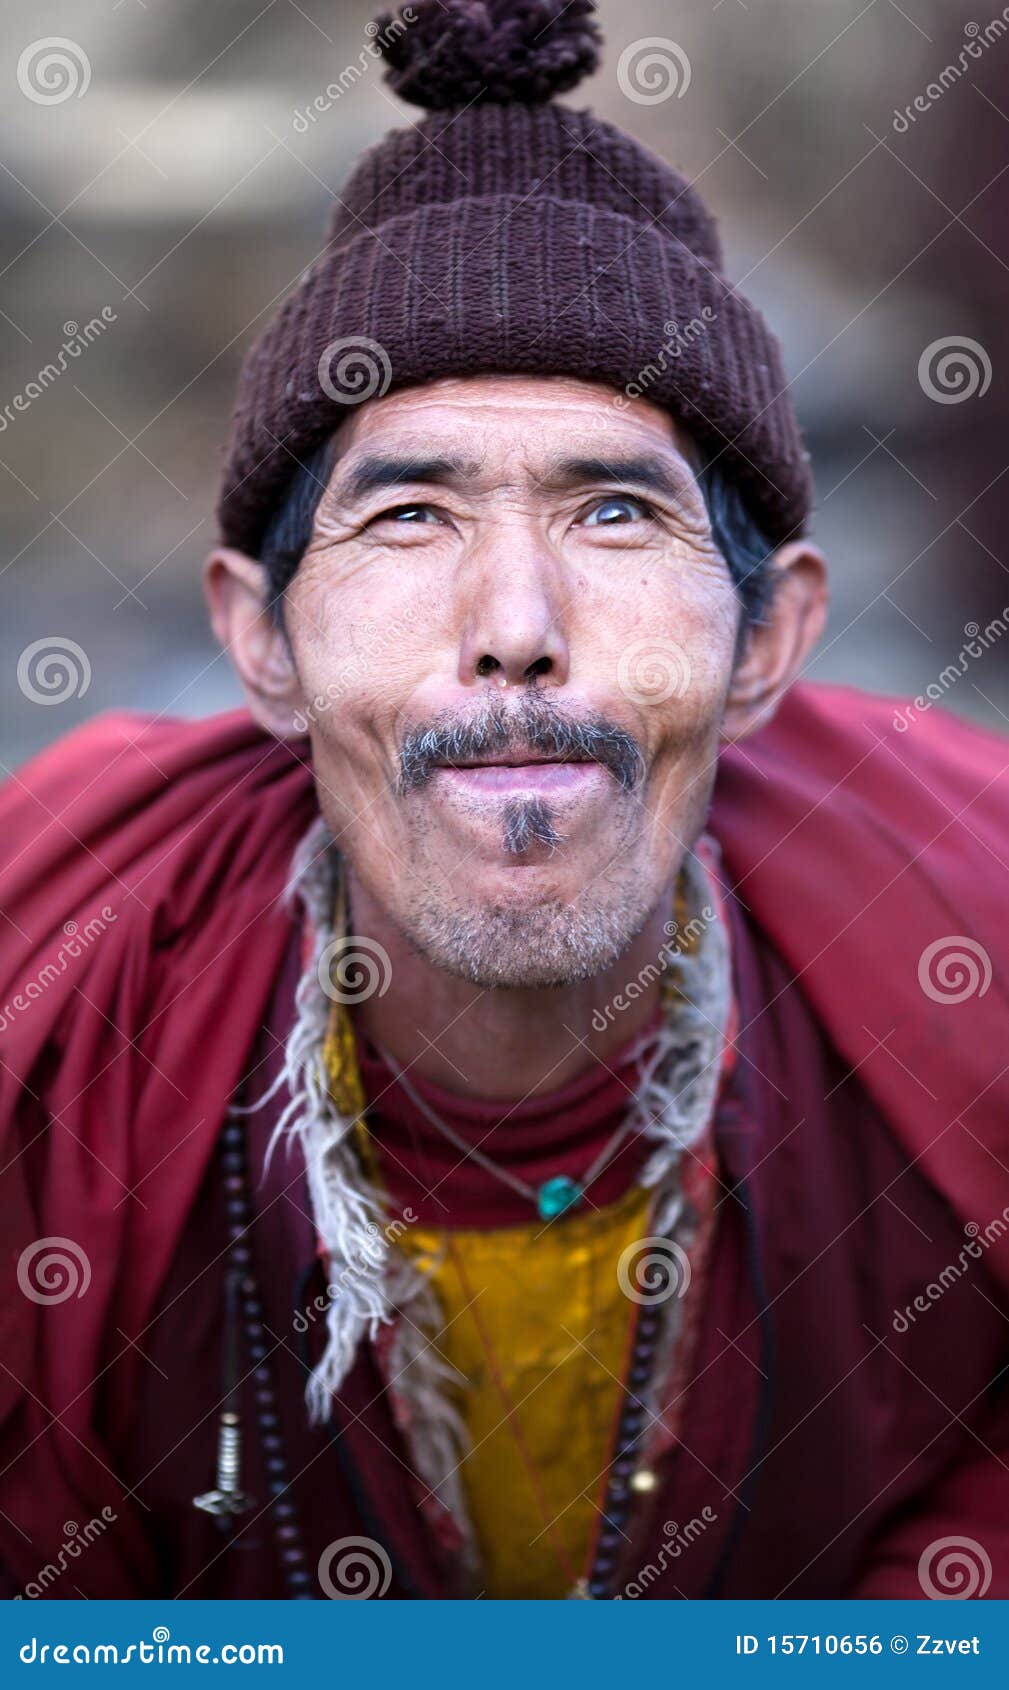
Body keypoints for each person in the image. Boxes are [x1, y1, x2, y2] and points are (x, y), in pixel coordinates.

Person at [2, 0, 1007, 1602]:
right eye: (405, 515)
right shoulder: (67, 1034)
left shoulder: (964, 976)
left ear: (770, 639)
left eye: (615, 512)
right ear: (259, 638)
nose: (517, 623)